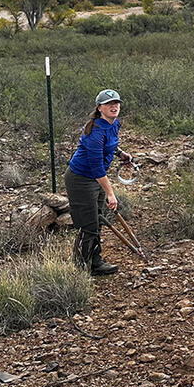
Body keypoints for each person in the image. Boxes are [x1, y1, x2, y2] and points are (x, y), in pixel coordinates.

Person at [63, 89, 133, 276]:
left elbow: (109, 143)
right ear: (100, 108)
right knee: (88, 225)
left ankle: (94, 261)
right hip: (81, 179)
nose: (114, 106)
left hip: (94, 179)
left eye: (116, 103)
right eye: (109, 104)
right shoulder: (94, 131)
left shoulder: (113, 124)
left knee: (97, 219)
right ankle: (81, 268)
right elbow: (95, 167)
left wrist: (120, 153)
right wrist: (110, 193)